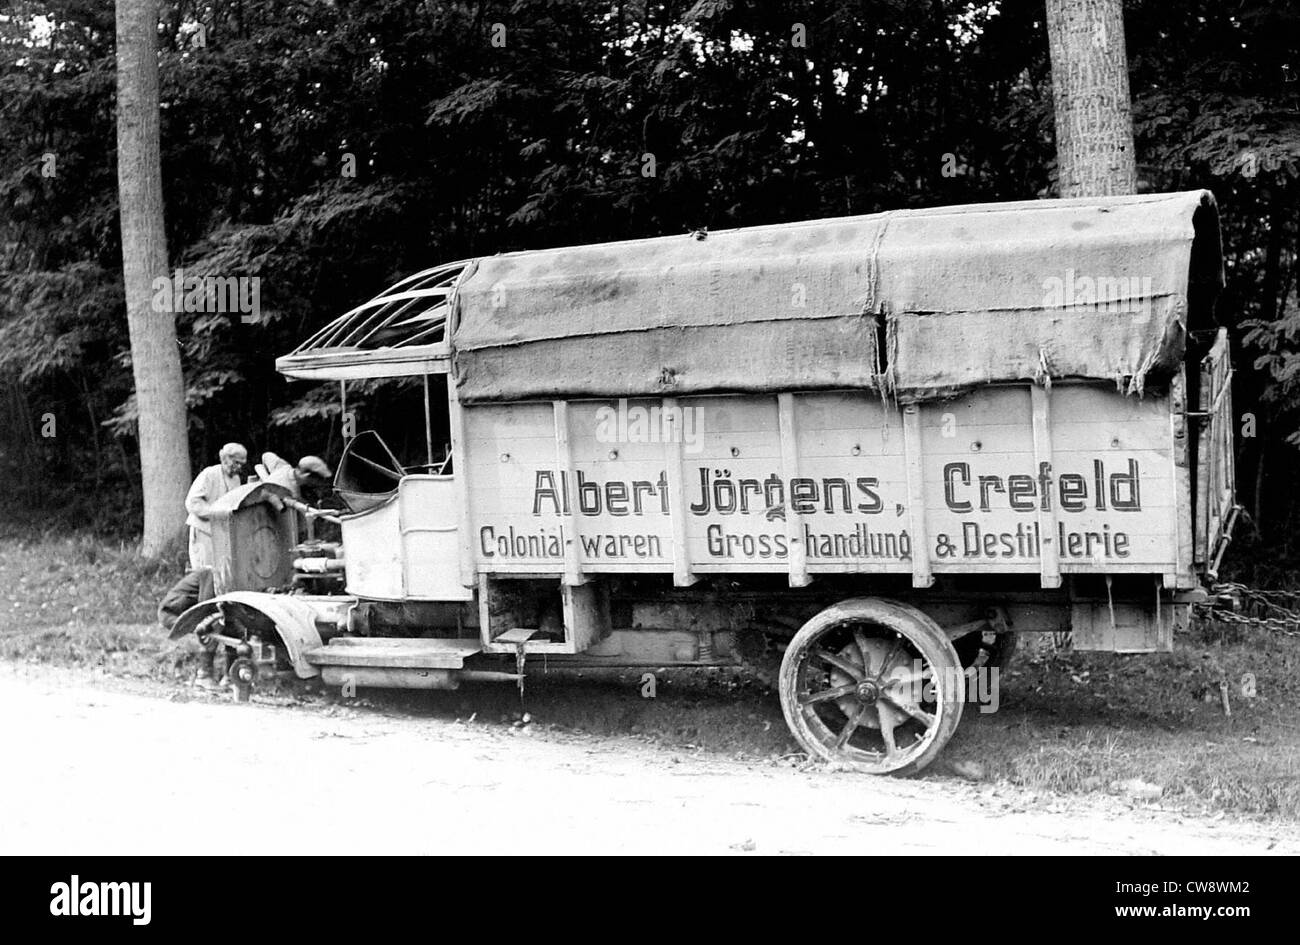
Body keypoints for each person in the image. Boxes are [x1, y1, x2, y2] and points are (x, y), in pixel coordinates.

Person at [185, 442, 247, 570]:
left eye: (241, 464)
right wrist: (215, 513)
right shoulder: (209, 474)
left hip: (223, 533)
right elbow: (192, 502)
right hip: (203, 531)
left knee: (223, 571)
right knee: (205, 572)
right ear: (225, 459)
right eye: (236, 462)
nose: (238, 467)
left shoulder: (236, 480)